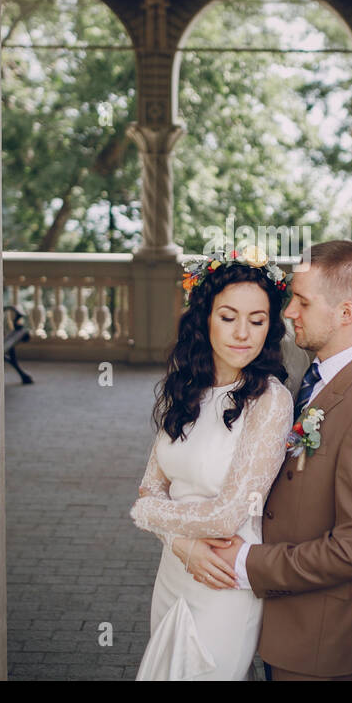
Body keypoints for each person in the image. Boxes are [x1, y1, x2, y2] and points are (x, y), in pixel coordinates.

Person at [202, 239, 352, 680]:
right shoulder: (314, 375)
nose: (288, 313)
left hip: (319, 636)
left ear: (345, 313)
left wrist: (248, 563)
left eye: (302, 301)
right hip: (278, 619)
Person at [129, 244, 294, 680]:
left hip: (223, 582)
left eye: (257, 321)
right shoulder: (185, 388)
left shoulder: (271, 401)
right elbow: (150, 487)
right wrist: (181, 546)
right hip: (176, 572)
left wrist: (148, 515)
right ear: (204, 319)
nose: (243, 333)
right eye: (228, 317)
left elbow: (225, 517)